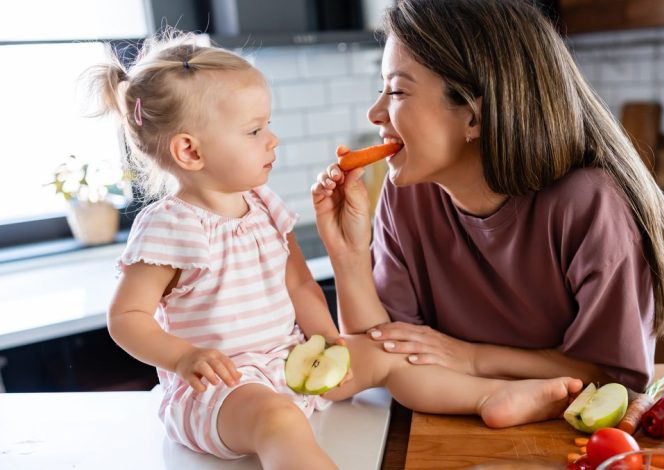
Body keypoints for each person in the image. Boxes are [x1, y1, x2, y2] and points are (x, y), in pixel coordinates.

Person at [94, 31, 581, 470]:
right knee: (278, 420)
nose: (272, 139)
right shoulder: (170, 226)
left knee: (390, 352)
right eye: (254, 131)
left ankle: (489, 397)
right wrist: (183, 358)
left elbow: (301, 284)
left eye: (267, 125)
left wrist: (330, 344)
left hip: (289, 364)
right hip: (219, 392)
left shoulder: (265, 205)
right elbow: (126, 317)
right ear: (190, 152)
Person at [312, 0, 664, 395]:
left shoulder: (590, 206)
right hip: (450, 418)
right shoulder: (406, 195)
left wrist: (471, 358)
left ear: (473, 116)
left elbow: (616, 377)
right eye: (382, 89)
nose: (374, 112)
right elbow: (381, 353)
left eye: (397, 91)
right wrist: (348, 254)